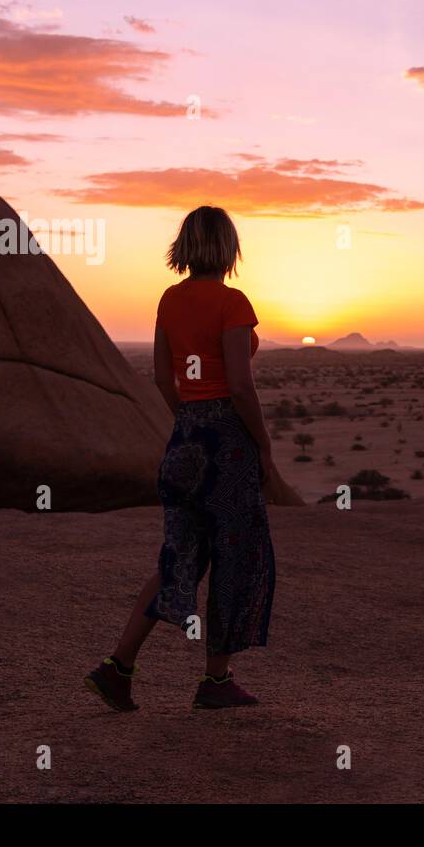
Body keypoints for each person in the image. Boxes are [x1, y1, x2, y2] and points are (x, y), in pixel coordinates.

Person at [85, 206, 303, 712]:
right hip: (228, 443)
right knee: (235, 557)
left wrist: (190, 422)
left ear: (186, 245)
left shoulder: (169, 300)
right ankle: (215, 681)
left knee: (178, 558)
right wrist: (263, 445)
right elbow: (242, 385)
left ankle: (117, 668)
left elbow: (164, 377)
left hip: (186, 441)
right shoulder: (232, 302)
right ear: (228, 248)